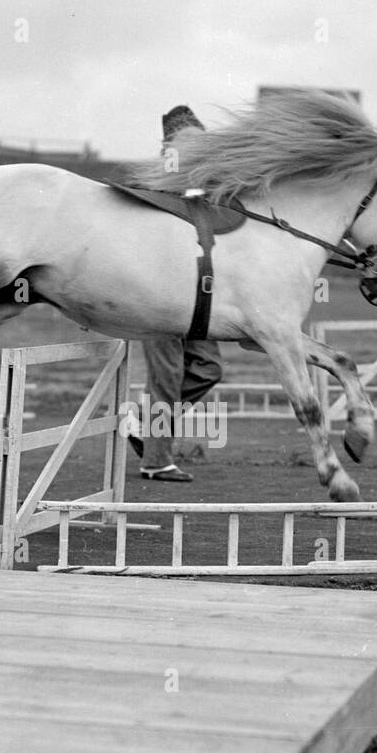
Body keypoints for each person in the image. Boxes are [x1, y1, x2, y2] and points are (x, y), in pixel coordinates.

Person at [132, 105, 223, 483]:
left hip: (195, 296)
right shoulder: (163, 173)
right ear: (173, 141)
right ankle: (156, 460)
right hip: (160, 291)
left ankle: (144, 426)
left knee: (208, 368)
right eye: (190, 139)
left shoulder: (197, 176)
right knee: (167, 378)